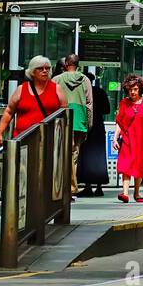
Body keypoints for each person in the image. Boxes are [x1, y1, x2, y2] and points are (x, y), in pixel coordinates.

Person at [0, 55, 68, 149]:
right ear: (32, 72)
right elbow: (9, 111)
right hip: (22, 140)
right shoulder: (21, 89)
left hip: (48, 141)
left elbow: (65, 115)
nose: (45, 71)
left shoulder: (57, 89)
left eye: (47, 68)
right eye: (40, 68)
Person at [114, 74, 143, 203]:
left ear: (140, 89)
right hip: (128, 139)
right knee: (126, 165)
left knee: (139, 166)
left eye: (135, 89)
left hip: (142, 141)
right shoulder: (124, 103)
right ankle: (125, 193)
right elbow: (120, 123)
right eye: (130, 89)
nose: (133, 92)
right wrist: (115, 138)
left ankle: (137, 192)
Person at [53, 54, 90, 199]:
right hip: (79, 120)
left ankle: (64, 188)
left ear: (66, 64)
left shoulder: (56, 80)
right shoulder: (85, 80)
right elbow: (89, 104)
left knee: (61, 154)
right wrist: (89, 124)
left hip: (61, 120)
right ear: (78, 64)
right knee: (74, 155)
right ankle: (70, 188)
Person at [78, 72, 111, 196]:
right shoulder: (100, 92)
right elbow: (107, 109)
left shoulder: (82, 93)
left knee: (85, 156)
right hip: (98, 126)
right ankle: (99, 186)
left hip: (86, 126)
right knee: (99, 155)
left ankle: (87, 185)